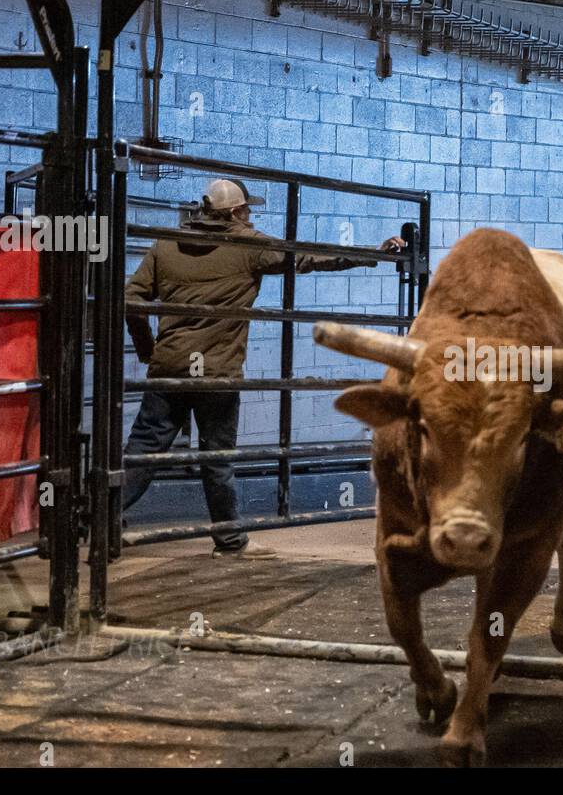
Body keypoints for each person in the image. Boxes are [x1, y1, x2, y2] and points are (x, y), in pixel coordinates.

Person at [123, 178, 407, 559]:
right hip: (216, 374)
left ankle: (97, 518)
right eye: (248, 210)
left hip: (169, 367)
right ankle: (229, 541)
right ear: (236, 212)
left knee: (144, 451)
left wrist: (148, 350)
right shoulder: (248, 246)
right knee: (217, 458)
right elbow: (308, 257)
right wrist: (373, 253)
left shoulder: (165, 243)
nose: (252, 215)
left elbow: (131, 298)